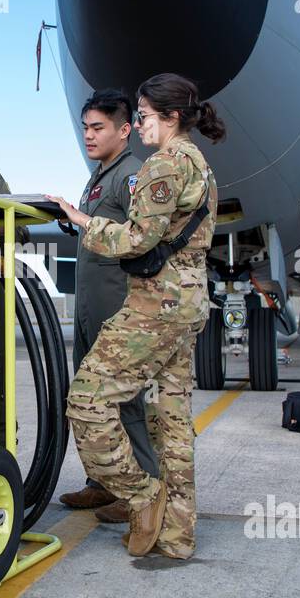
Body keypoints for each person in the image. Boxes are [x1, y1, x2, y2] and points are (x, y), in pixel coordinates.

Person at [48, 73, 221, 559]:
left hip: (157, 306)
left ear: (168, 117)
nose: (139, 123)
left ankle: (141, 496)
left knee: (86, 401)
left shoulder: (164, 164)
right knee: (173, 421)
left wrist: (80, 220)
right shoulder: (199, 163)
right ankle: (178, 534)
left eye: (143, 116)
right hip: (187, 305)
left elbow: (135, 240)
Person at [57, 89, 158, 524]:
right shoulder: (100, 176)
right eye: (85, 128)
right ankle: (103, 481)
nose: (88, 135)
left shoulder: (132, 175)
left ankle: (143, 490)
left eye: (98, 128)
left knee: (123, 401)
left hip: (117, 309)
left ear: (125, 129)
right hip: (89, 309)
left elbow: (141, 238)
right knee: (88, 399)